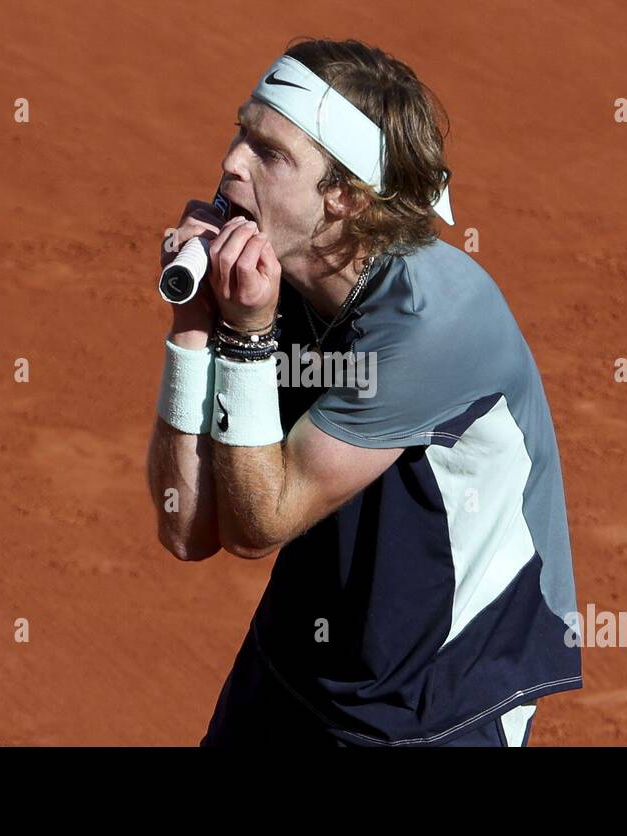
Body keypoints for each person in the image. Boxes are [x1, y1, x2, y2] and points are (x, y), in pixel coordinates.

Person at [146, 38, 581, 747]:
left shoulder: (430, 322)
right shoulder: (274, 279)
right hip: (298, 669)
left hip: (436, 707)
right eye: (240, 131)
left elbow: (258, 528)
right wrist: (193, 325)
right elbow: (188, 529)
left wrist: (250, 339)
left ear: (343, 195)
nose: (231, 162)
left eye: (269, 152)